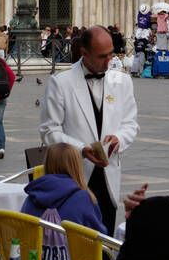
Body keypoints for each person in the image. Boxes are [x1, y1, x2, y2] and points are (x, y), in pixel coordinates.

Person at [40, 25, 139, 234]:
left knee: (105, 240)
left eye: (111, 54)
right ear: (84, 53)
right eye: (102, 56)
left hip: (108, 176)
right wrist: (81, 149)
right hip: (73, 177)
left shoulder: (122, 81)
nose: (109, 60)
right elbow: (49, 131)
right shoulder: (61, 83)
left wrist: (119, 139)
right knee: (72, 240)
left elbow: (130, 124)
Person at [21, 141, 105, 232]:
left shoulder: (33, 194)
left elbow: (22, 228)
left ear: (47, 163)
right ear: (77, 166)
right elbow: (100, 235)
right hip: (74, 246)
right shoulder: (85, 198)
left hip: (35, 246)